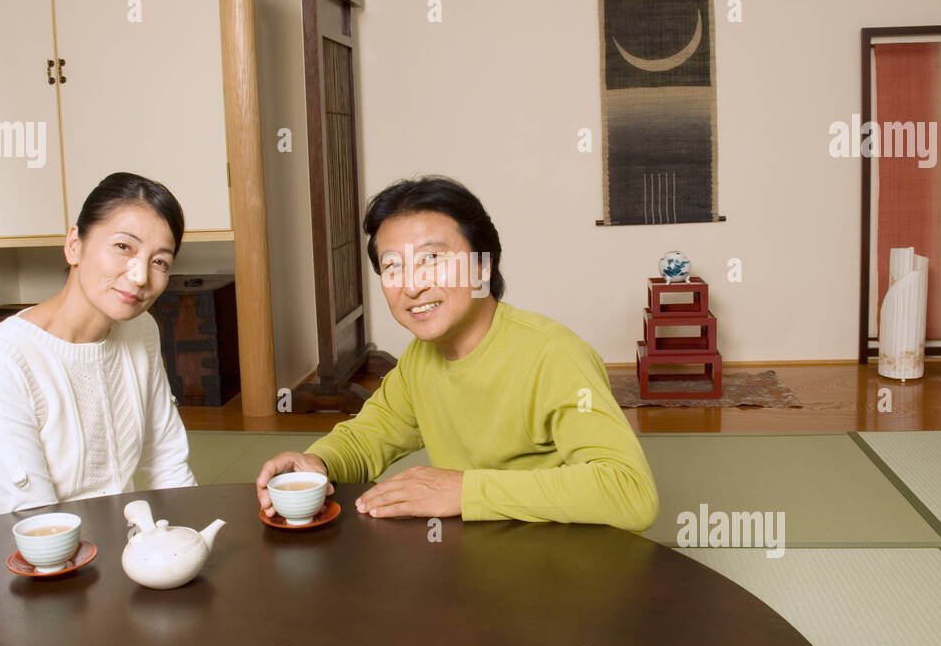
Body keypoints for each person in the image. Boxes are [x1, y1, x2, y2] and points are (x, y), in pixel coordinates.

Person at [256, 175, 659, 534]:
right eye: (392, 266)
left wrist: (465, 491)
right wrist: (317, 464)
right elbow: (369, 437)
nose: (412, 285)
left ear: (483, 268)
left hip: (565, 563)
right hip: (476, 562)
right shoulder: (420, 358)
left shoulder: (552, 355)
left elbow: (630, 491)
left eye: (432, 259)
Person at [0, 172, 197, 521]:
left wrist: (186, 543)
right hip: (23, 554)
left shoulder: (140, 330)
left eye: (159, 262)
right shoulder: (3, 362)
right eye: (123, 247)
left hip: (119, 545)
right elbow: (35, 521)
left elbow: (167, 460)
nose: (140, 277)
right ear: (74, 245)